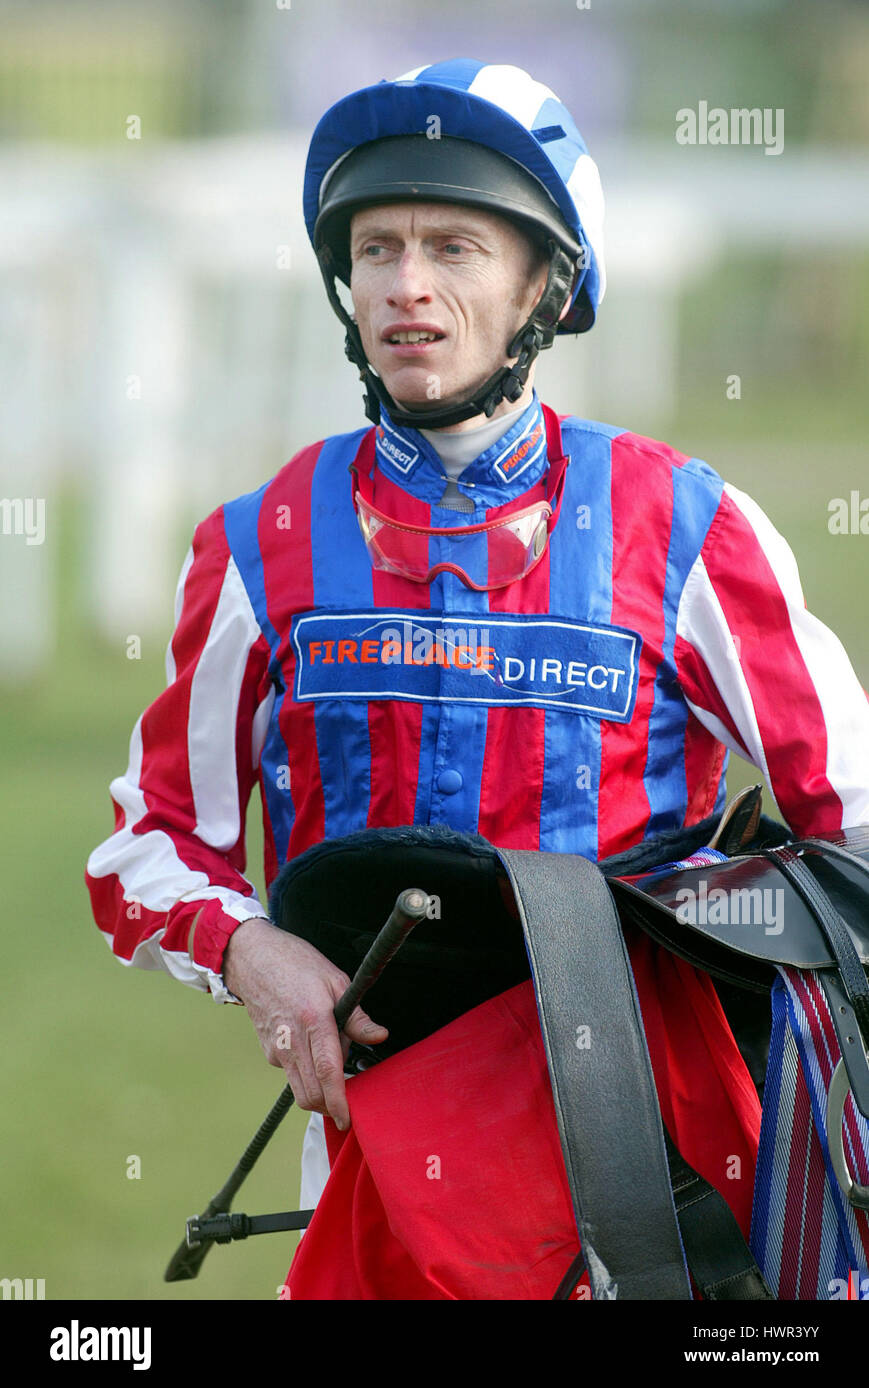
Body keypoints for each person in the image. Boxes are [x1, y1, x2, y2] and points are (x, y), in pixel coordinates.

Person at [86, 60, 869, 1298]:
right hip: (371, 1167)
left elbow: (853, 837)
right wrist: (252, 955)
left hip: (649, 1175)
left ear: (544, 286)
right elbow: (144, 847)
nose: (406, 286)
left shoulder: (686, 528)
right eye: (377, 247)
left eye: (454, 247)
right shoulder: (259, 541)